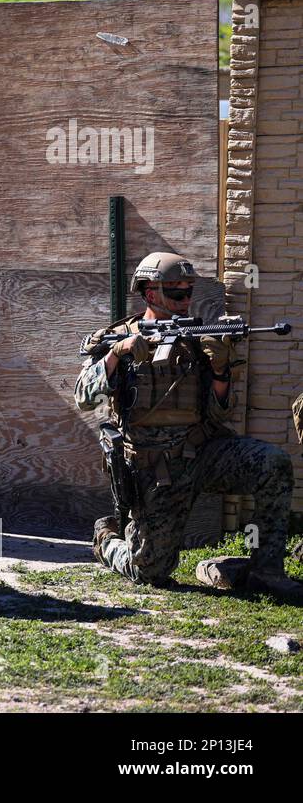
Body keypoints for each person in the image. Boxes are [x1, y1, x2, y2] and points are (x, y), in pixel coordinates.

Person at [76, 251, 301, 601]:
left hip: (203, 453)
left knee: (272, 463)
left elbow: (220, 412)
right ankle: (106, 539)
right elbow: (83, 398)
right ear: (150, 293)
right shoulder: (118, 337)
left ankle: (266, 571)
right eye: (176, 293)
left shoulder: (198, 336)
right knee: (150, 571)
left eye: (188, 293)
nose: (185, 301)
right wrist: (116, 355)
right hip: (155, 470)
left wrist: (221, 368)